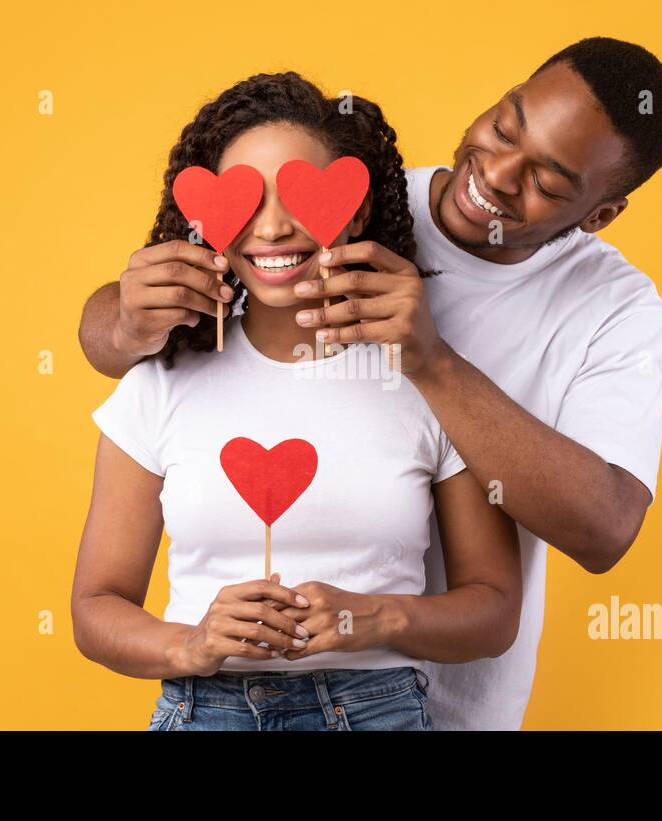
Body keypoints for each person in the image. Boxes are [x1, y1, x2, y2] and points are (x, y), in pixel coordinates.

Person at [78, 37, 662, 730]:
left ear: (598, 215)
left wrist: (432, 362)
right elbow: (128, 333)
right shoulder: (349, 192)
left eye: (546, 182)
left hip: (439, 700)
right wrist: (125, 323)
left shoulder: (615, 311)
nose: (494, 173)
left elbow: (604, 529)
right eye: (504, 125)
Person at [70, 72, 521, 731]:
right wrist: (188, 642)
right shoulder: (161, 379)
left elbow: (494, 610)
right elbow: (94, 605)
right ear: (206, 221)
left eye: (300, 197)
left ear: (357, 213)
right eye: (245, 201)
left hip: (378, 711)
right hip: (205, 709)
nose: (274, 227)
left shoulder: (431, 380)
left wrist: (377, 615)